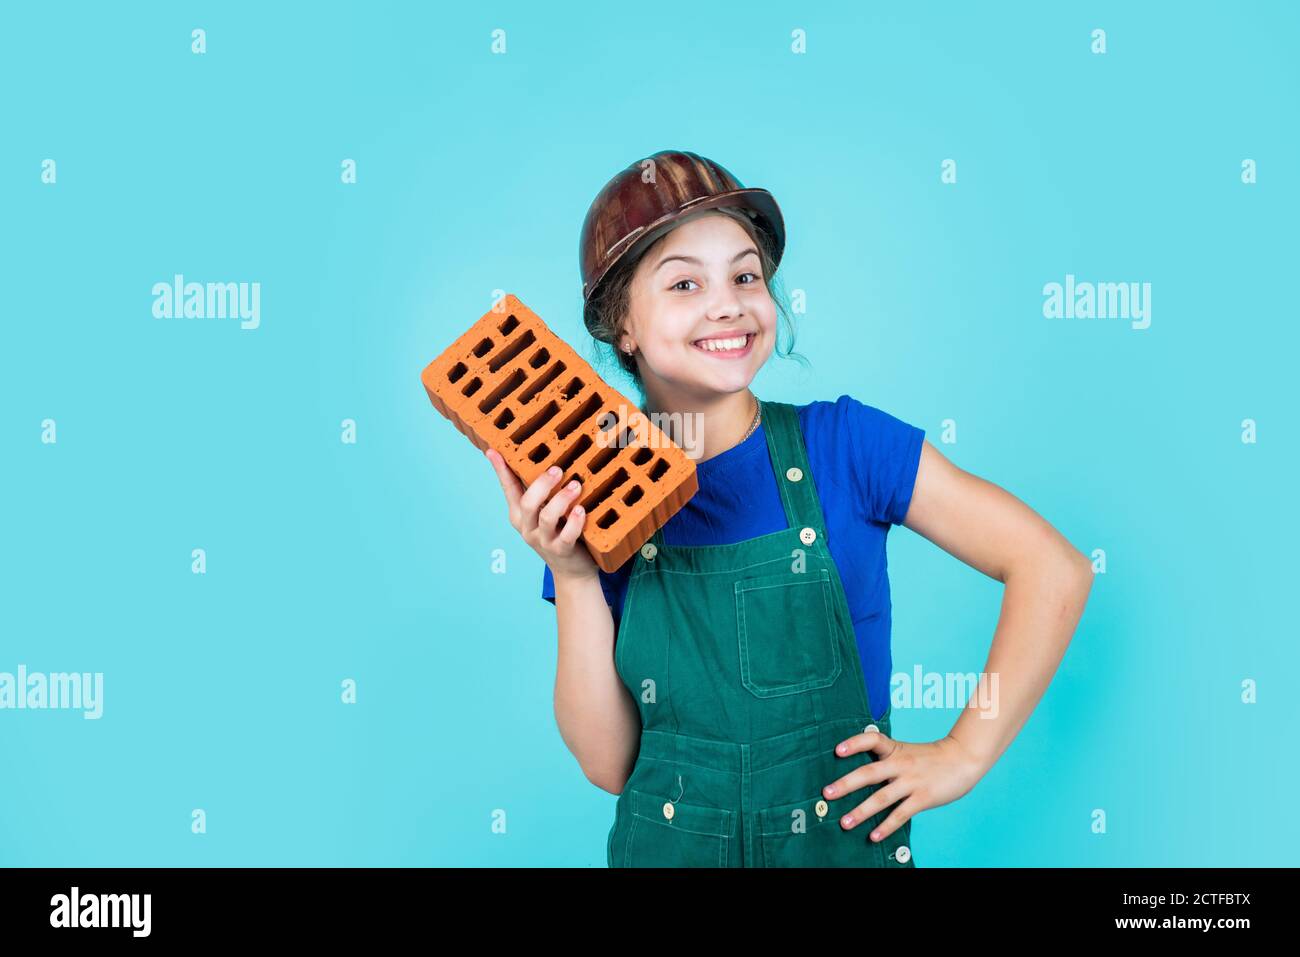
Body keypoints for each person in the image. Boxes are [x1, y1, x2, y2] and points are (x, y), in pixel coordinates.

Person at [484, 149, 1093, 867]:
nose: (728, 303)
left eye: (746, 275)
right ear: (623, 326)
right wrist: (575, 572)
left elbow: (1052, 568)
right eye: (684, 282)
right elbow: (609, 763)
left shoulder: (848, 447)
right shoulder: (593, 488)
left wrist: (965, 751)